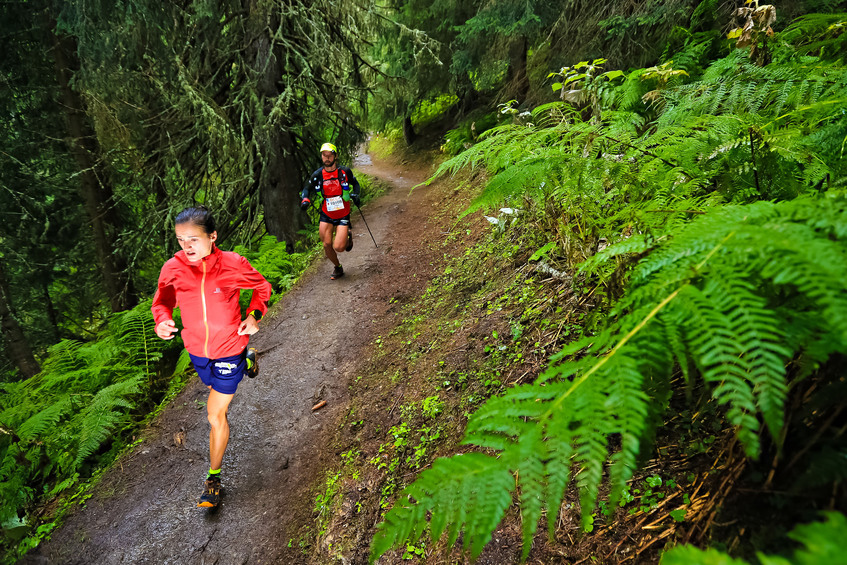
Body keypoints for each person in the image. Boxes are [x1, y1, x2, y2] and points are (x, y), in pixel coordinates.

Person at [151, 206, 272, 508]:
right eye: (180, 240)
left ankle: (213, 478)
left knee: (215, 415)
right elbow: (163, 300)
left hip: (230, 345)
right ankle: (248, 361)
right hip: (198, 352)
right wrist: (162, 319)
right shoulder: (173, 268)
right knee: (213, 390)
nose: (186, 246)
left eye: (193, 239)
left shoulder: (232, 264)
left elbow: (262, 288)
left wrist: (255, 315)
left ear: (212, 236)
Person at [300, 142, 362, 280]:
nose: (327, 158)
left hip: (343, 213)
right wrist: (305, 200)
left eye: (329, 155)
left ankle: (347, 236)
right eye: (324, 155)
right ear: (321, 156)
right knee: (327, 244)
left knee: (339, 247)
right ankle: (338, 267)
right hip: (326, 213)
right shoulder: (317, 175)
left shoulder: (344, 172)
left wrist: (356, 195)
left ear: (335, 156)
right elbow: (306, 189)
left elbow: (355, 184)